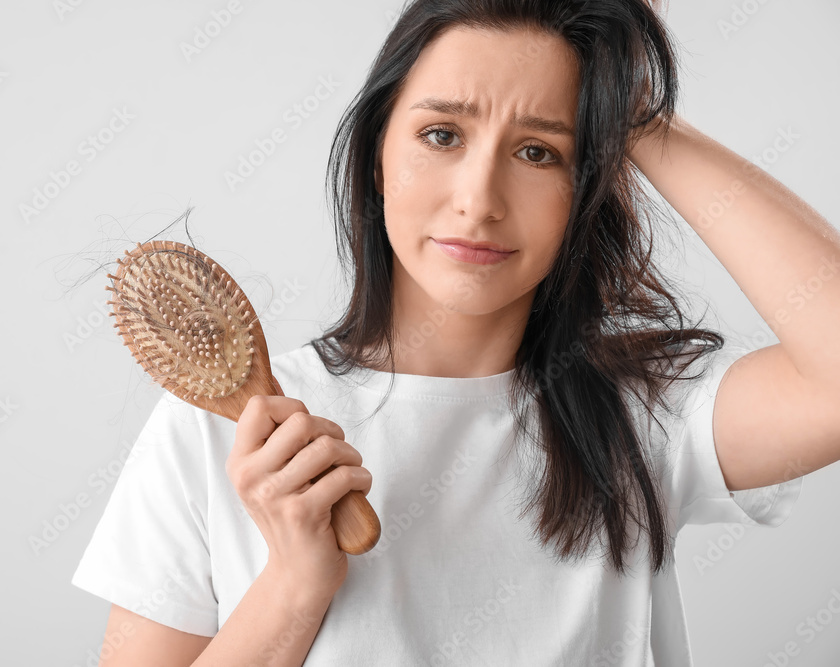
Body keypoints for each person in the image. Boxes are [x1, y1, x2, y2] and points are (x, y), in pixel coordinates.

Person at [71, 1, 840, 664]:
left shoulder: (644, 416)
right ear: (378, 157)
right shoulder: (217, 432)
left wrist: (628, 106)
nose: (479, 199)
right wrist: (295, 586)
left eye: (540, 151)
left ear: (589, 191)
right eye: (442, 135)